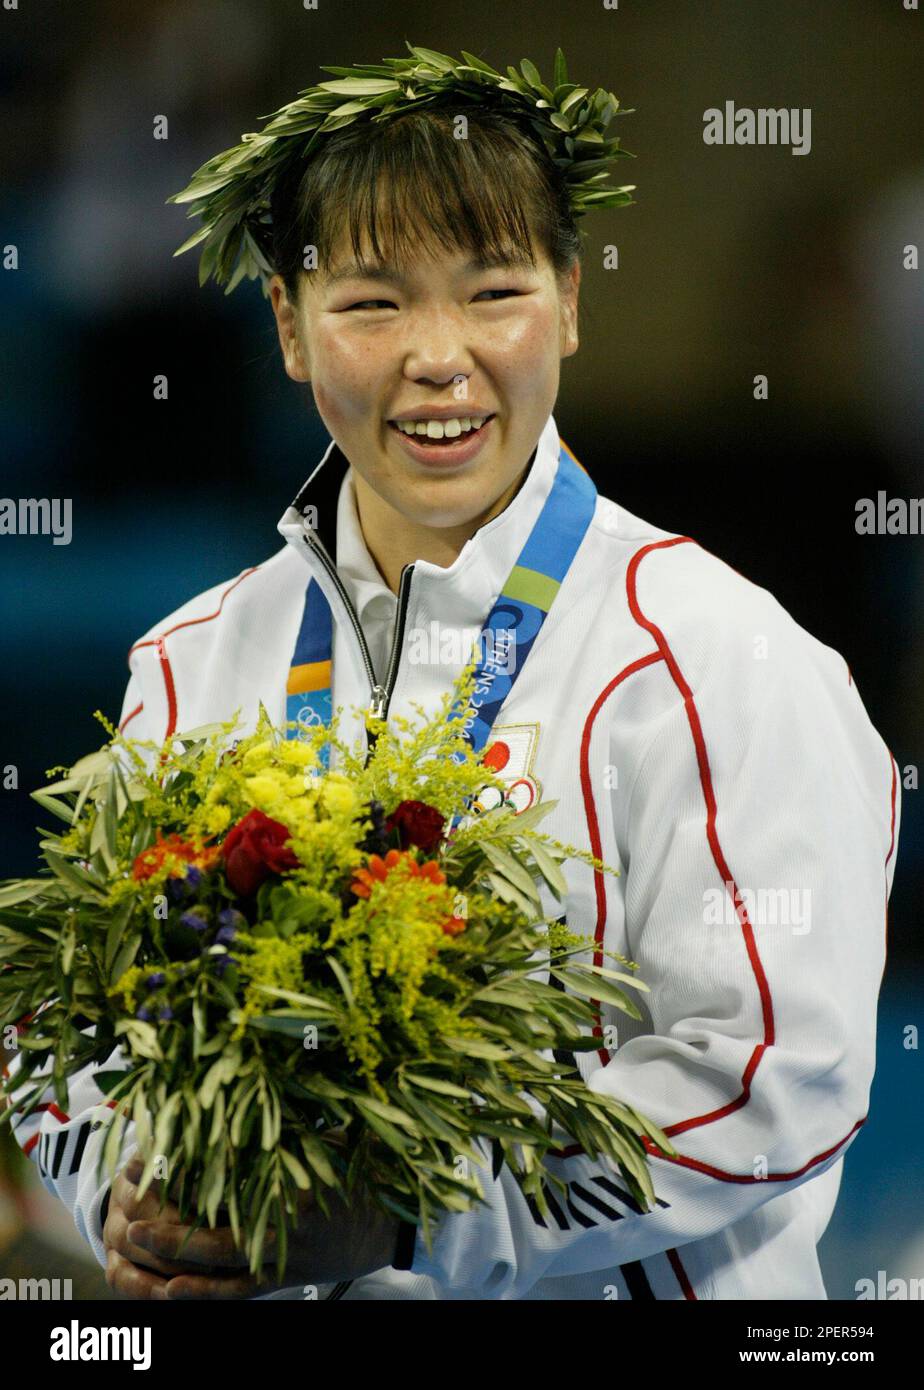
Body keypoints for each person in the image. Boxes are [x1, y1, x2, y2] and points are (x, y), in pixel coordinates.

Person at [6, 46, 900, 1301]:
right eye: (371, 303)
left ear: (572, 304)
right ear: (288, 326)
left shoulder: (717, 660)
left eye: (494, 293)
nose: (439, 356)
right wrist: (141, 1207)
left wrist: (408, 1220)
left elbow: (772, 1079)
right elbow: (64, 1028)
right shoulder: (192, 659)